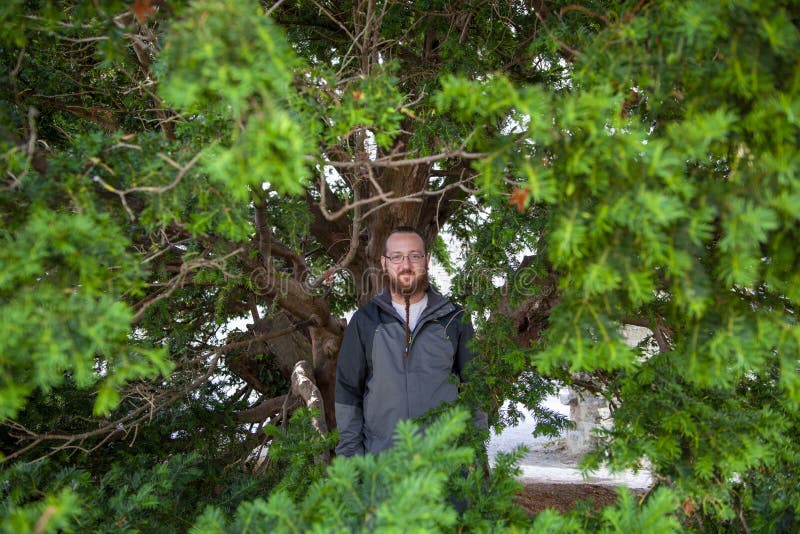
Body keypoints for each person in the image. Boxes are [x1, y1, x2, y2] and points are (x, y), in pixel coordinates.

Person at [335, 226, 480, 457]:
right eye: (397, 256)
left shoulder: (454, 318)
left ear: (427, 260)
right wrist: (353, 462)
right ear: (384, 262)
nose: (406, 265)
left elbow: (475, 388)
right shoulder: (365, 321)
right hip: (382, 468)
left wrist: (473, 451)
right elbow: (348, 392)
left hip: (446, 469)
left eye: (415, 256)